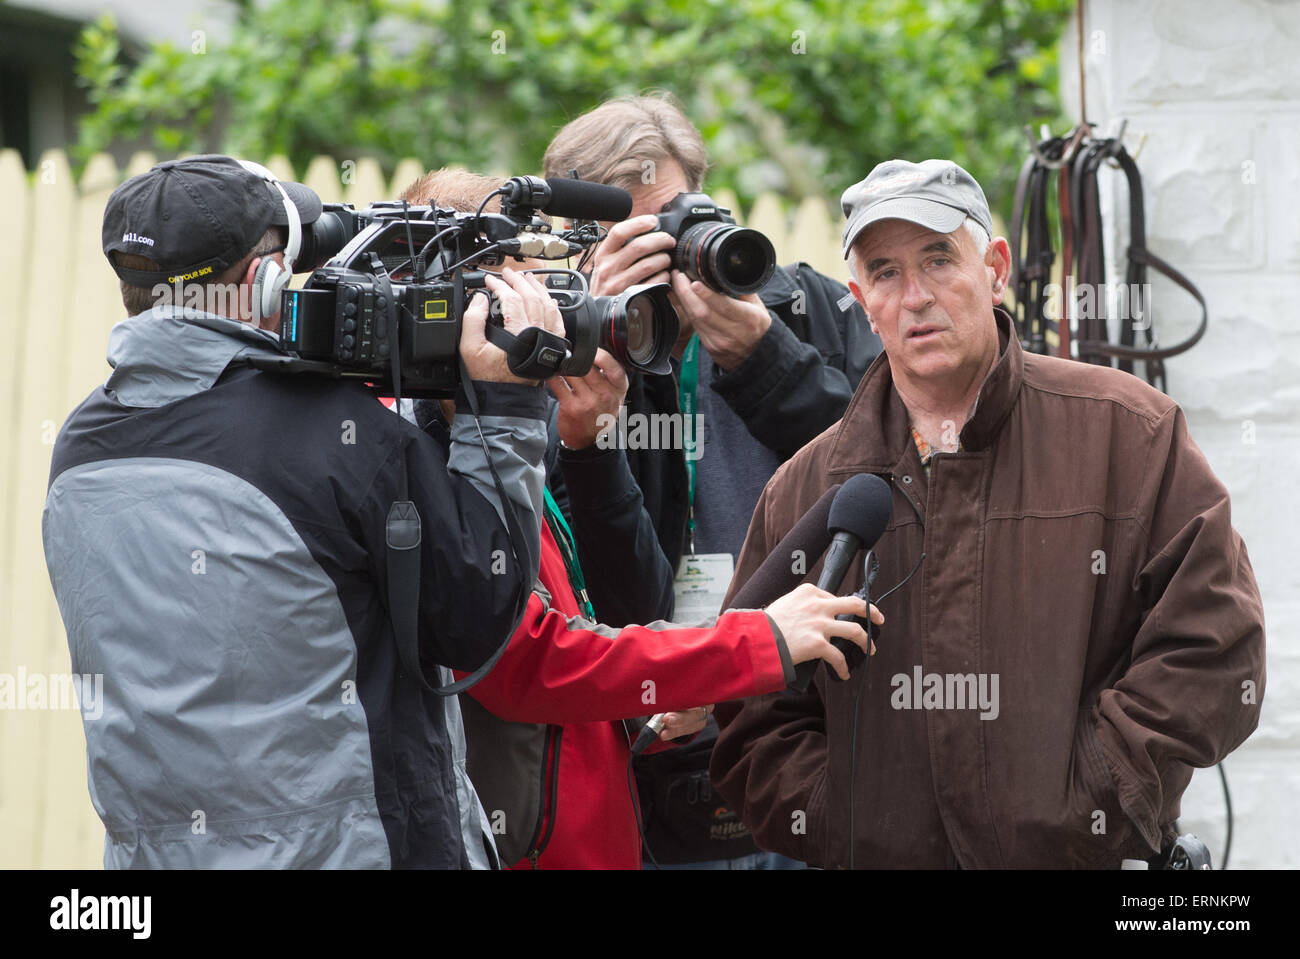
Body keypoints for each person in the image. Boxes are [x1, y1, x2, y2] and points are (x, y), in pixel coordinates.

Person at [710, 158, 1267, 868]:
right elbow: (749, 706)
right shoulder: (809, 485)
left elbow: (1216, 645)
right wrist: (835, 818)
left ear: (996, 268)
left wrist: (1092, 800)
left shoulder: (1129, 434)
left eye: (939, 259)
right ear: (861, 300)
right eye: (885, 272)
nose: (915, 297)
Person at [41, 154, 563, 869]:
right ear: (261, 280)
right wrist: (503, 407)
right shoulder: (337, 437)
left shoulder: (80, 446)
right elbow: (479, 617)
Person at [397, 167, 882, 869]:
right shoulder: (442, 452)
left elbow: (622, 617)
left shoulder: (501, 429)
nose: (548, 321)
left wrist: (585, 440)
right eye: (523, 291)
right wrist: (752, 645)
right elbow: (537, 658)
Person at [543, 92, 883, 868]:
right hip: (652, 738)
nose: (669, 251)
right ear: (581, 246)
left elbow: (887, 482)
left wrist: (769, 363)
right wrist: (604, 368)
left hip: (803, 728)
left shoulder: (808, 310)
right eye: (637, 233)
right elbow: (594, 589)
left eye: (677, 217)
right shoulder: (559, 352)